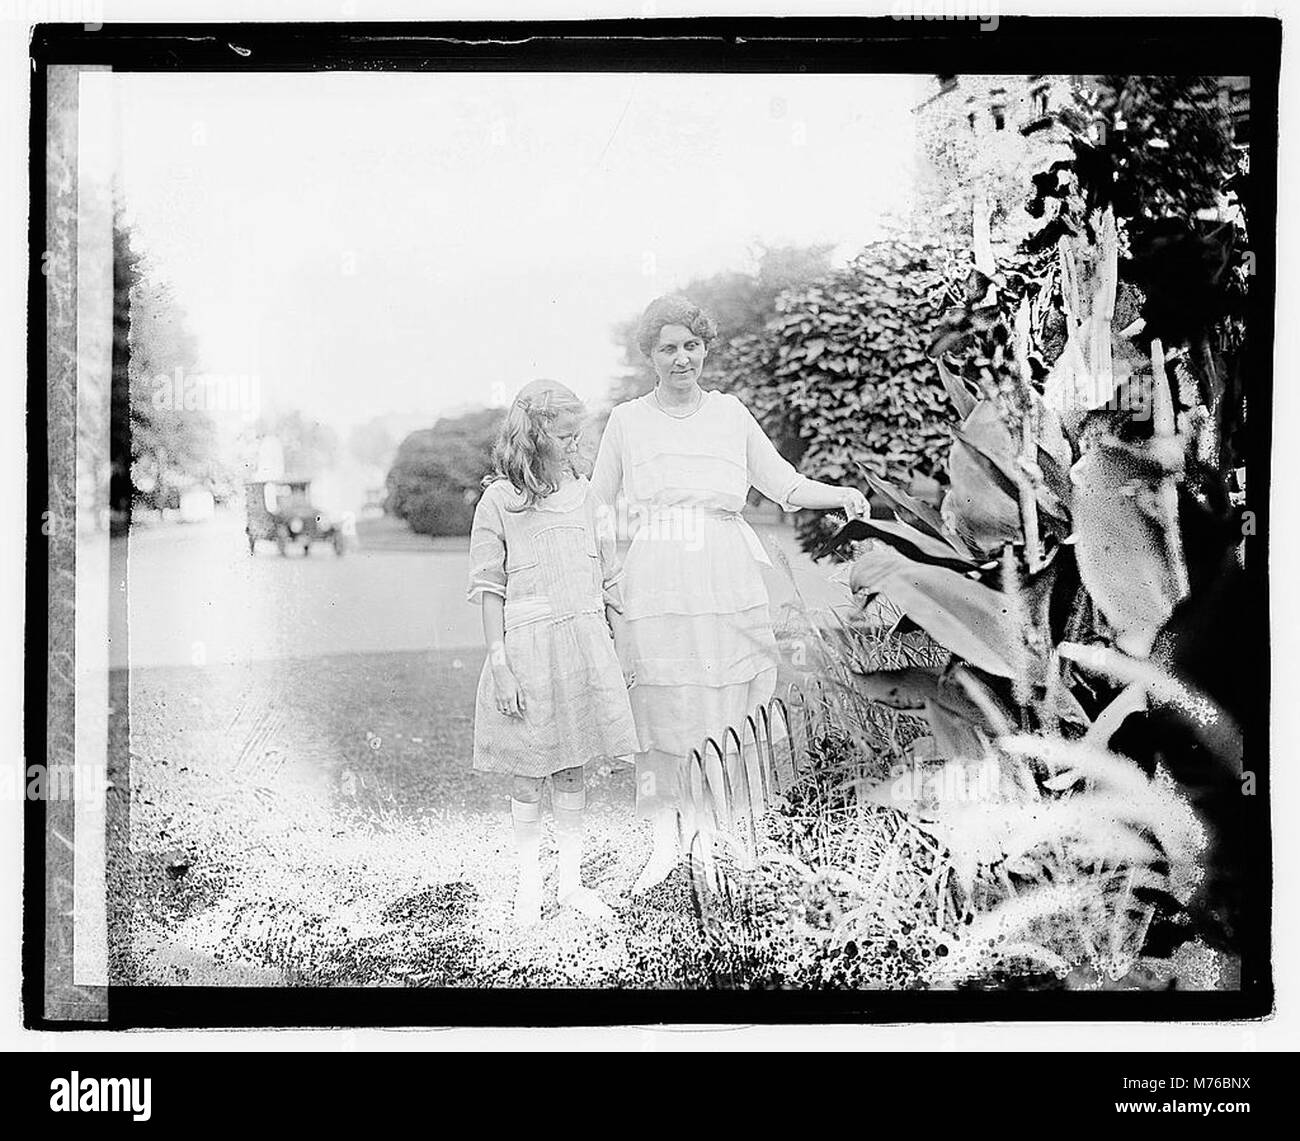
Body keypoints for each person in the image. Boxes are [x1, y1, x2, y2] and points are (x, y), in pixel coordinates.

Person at [592, 295, 869, 894]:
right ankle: (667, 843)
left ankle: (727, 837)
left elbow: (785, 484)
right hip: (657, 574)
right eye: (668, 347)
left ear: (704, 350)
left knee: (731, 699)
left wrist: (841, 494)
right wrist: (605, 577)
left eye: (692, 345)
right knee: (664, 701)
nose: (682, 358)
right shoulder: (627, 421)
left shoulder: (730, 413)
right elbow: (600, 507)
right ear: (651, 355)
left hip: (725, 569)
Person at [467, 379, 639, 926]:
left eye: (577, 435)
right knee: (529, 769)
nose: (574, 445)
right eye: (564, 436)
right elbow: (488, 588)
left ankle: (569, 884)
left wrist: (622, 650)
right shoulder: (500, 502)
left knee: (572, 768)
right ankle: (528, 886)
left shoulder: (588, 496)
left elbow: (609, 578)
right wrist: (501, 666)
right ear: (535, 435)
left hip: (585, 645)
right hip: (527, 650)